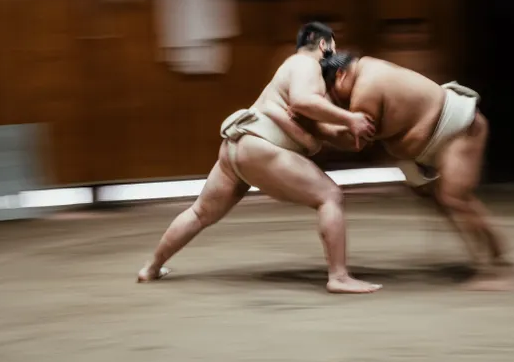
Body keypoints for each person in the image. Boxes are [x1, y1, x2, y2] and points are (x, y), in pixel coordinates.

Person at [136, 22, 381, 294]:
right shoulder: (305, 64)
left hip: (237, 145)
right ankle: (339, 276)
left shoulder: (299, 78)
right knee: (330, 196)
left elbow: (319, 129)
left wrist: (357, 127)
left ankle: (152, 267)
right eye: (333, 46)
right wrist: (350, 118)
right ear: (323, 45)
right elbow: (302, 100)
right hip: (260, 145)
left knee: (199, 213)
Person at [314, 52, 514, 290]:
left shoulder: (365, 88)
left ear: (340, 75)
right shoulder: (368, 68)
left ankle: (500, 267)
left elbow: (355, 141)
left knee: (455, 198)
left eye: (334, 95)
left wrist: (318, 128)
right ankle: (482, 259)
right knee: (440, 199)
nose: (337, 103)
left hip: (461, 129)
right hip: (438, 140)